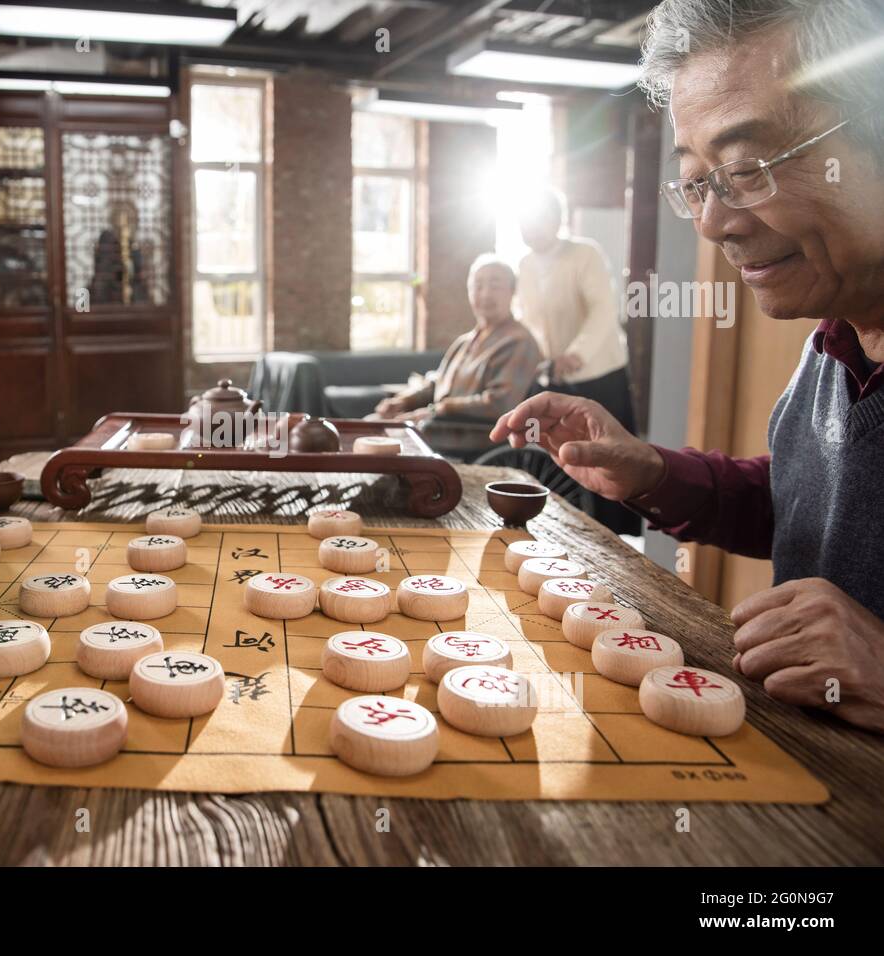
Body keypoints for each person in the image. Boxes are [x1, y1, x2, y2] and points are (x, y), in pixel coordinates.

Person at [491, 0, 884, 733]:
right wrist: (649, 472)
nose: (713, 223)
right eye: (697, 182)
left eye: (746, 167)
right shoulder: (830, 346)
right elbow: (804, 510)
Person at [515, 188, 641, 534]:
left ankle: (609, 535)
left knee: (602, 459)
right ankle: (562, 530)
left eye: (537, 220)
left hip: (597, 372)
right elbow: (527, 320)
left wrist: (577, 353)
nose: (529, 228)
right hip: (552, 374)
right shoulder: (524, 265)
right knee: (558, 459)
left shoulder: (584, 254)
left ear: (557, 221)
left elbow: (604, 309)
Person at [373, 256, 541, 453]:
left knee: (382, 437)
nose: (485, 294)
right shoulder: (465, 342)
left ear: (512, 291)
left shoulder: (519, 341)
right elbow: (438, 383)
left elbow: (498, 403)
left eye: (495, 286)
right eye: (477, 286)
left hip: (474, 437)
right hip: (438, 427)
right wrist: (403, 401)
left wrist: (435, 411)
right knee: (373, 423)